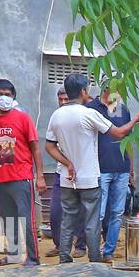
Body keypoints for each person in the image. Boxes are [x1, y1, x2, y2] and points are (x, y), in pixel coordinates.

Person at [44, 73, 139, 265]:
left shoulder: (57, 115)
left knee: (68, 220)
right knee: (93, 222)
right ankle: (95, 260)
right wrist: (137, 118)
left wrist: (67, 163)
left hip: (67, 179)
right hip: (89, 178)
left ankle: (65, 258)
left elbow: (49, 146)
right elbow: (120, 133)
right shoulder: (89, 113)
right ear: (83, 91)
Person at [0, 79, 45, 267]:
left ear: (13, 97)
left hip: (22, 178)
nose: (3, 98)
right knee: (8, 221)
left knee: (27, 222)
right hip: (1, 180)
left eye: (8, 95)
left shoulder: (23, 118)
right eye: (0, 94)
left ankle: (33, 258)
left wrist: (40, 176)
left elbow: (35, 148)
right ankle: (13, 255)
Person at [87, 81, 133, 259]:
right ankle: (94, 252)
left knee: (117, 213)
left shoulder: (122, 109)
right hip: (100, 169)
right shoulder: (91, 108)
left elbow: (128, 140)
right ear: (106, 88)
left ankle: (109, 252)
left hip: (121, 168)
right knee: (99, 213)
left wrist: (131, 167)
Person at [46, 88, 85, 257]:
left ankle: (80, 246)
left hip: (82, 171)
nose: (62, 102)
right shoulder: (56, 118)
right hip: (60, 171)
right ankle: (60, 244)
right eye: (60, 99)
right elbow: (50, 145)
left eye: (65, 99)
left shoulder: (82, 116)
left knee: (82, 211)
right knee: (55, 212)